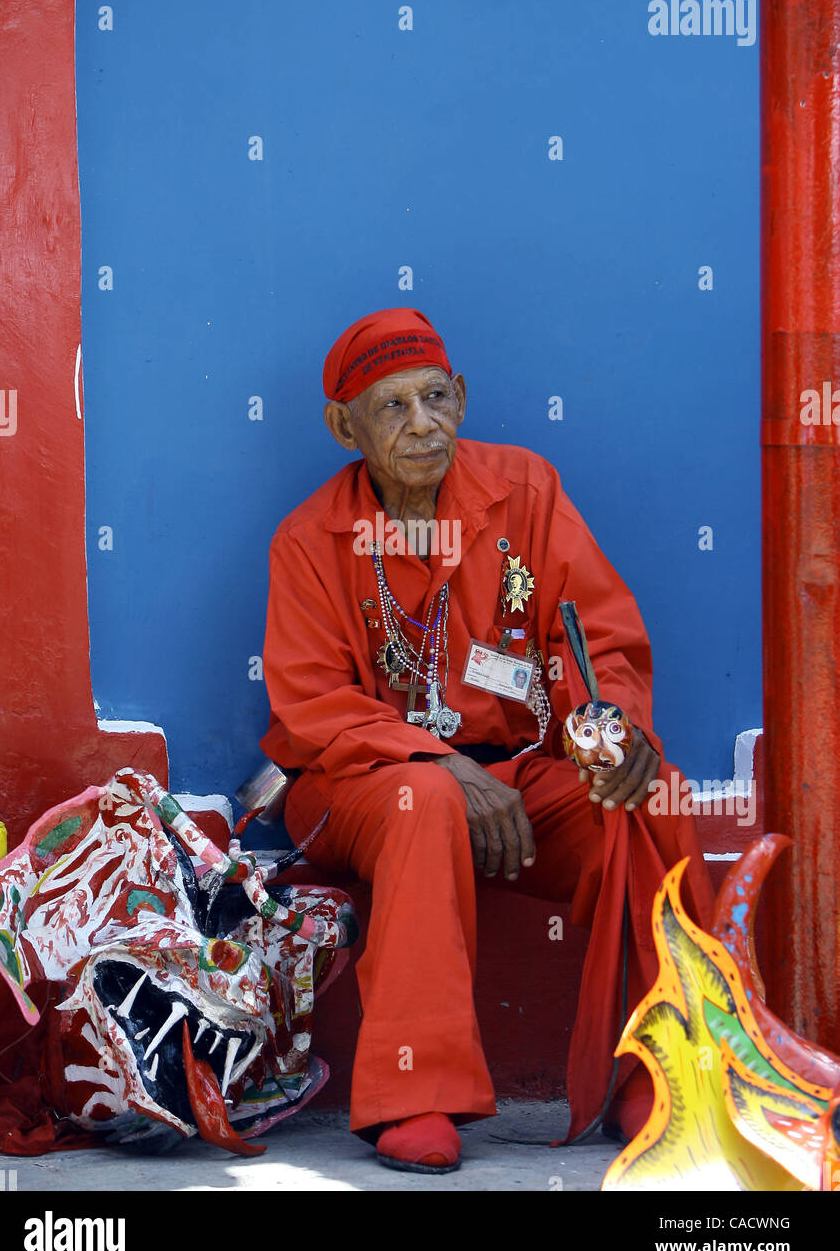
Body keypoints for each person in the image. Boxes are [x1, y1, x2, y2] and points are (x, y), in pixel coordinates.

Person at [260, 307, 714, 1174]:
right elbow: (316, 709)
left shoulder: (526, 491)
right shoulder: (309, 540)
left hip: (519, 775)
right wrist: (441, 763)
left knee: (651, 795)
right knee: (423, 794)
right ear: (342, 426)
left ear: (462, 397)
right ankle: (415, 1094)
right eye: (391, 407)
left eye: (436, 397)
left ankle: (657, 1069)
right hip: (364, 782)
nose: (422, 423)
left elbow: (596, 640)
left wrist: (609, 726)